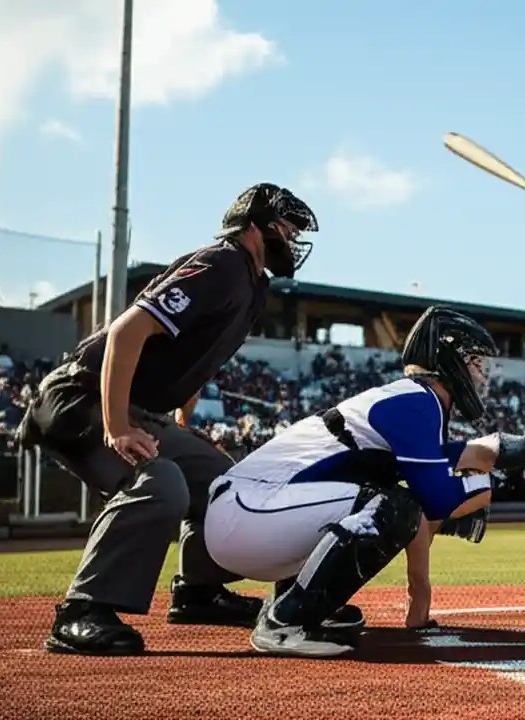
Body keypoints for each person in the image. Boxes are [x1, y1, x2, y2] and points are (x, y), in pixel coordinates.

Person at [201, 306, 525, 657]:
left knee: (393, 503)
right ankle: (285, 621)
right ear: (450, 360)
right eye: (475, 362)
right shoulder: (417, 401)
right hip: (247, 513)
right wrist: (476, 494)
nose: (481, 374)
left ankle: (296, 605)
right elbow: (434, 499)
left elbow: (477, 452)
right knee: (397, 507)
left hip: (252, 514)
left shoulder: (411, 403)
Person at [19, 183, 319, 655]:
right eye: (286, 227)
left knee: (226, 483)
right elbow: (127, 331)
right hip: (81, 397)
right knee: (161, 483)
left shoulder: (252, 283)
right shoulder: (222, 263)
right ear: (255, 228)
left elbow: (199, 358)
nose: (293, 238)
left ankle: (199, 591)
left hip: (140, 407)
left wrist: (181, 420)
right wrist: (117, 426)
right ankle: (82, 609)